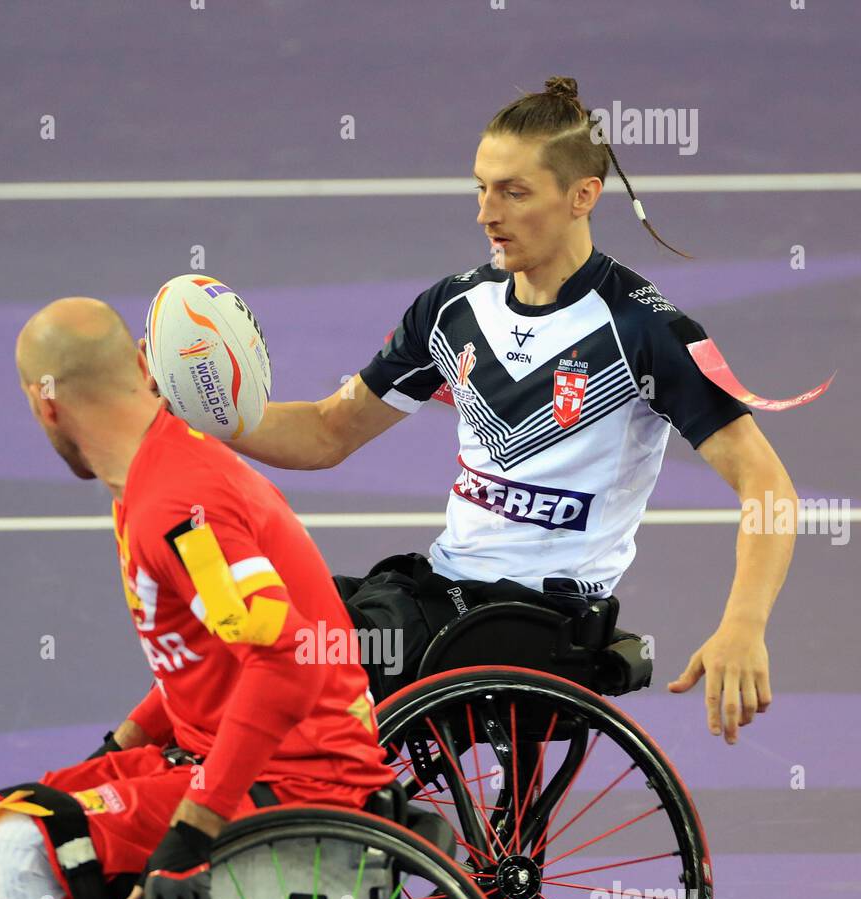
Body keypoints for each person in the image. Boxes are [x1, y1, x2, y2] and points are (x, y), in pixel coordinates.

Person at [231, 76, 798, 746]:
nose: (486, 213)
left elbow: (768, 486)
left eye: (514, 192)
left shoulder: (643, 330)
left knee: (301, 662)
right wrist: (210, 416)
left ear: (583, 196)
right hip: (442, 597)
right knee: (257, 620)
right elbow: (328, 431)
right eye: (481, 187)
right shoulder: (454, 307)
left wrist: (743, 625)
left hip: (537, 619)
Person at [0, 297, 393, 899]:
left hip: (297, 785)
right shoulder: (154, 472)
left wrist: (194, 830)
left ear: (46, 403)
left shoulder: (176, 502)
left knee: (15, 850)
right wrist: (129, 741)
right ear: (142, 364)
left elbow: (286, 660)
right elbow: (207, 656)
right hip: (240, 757)